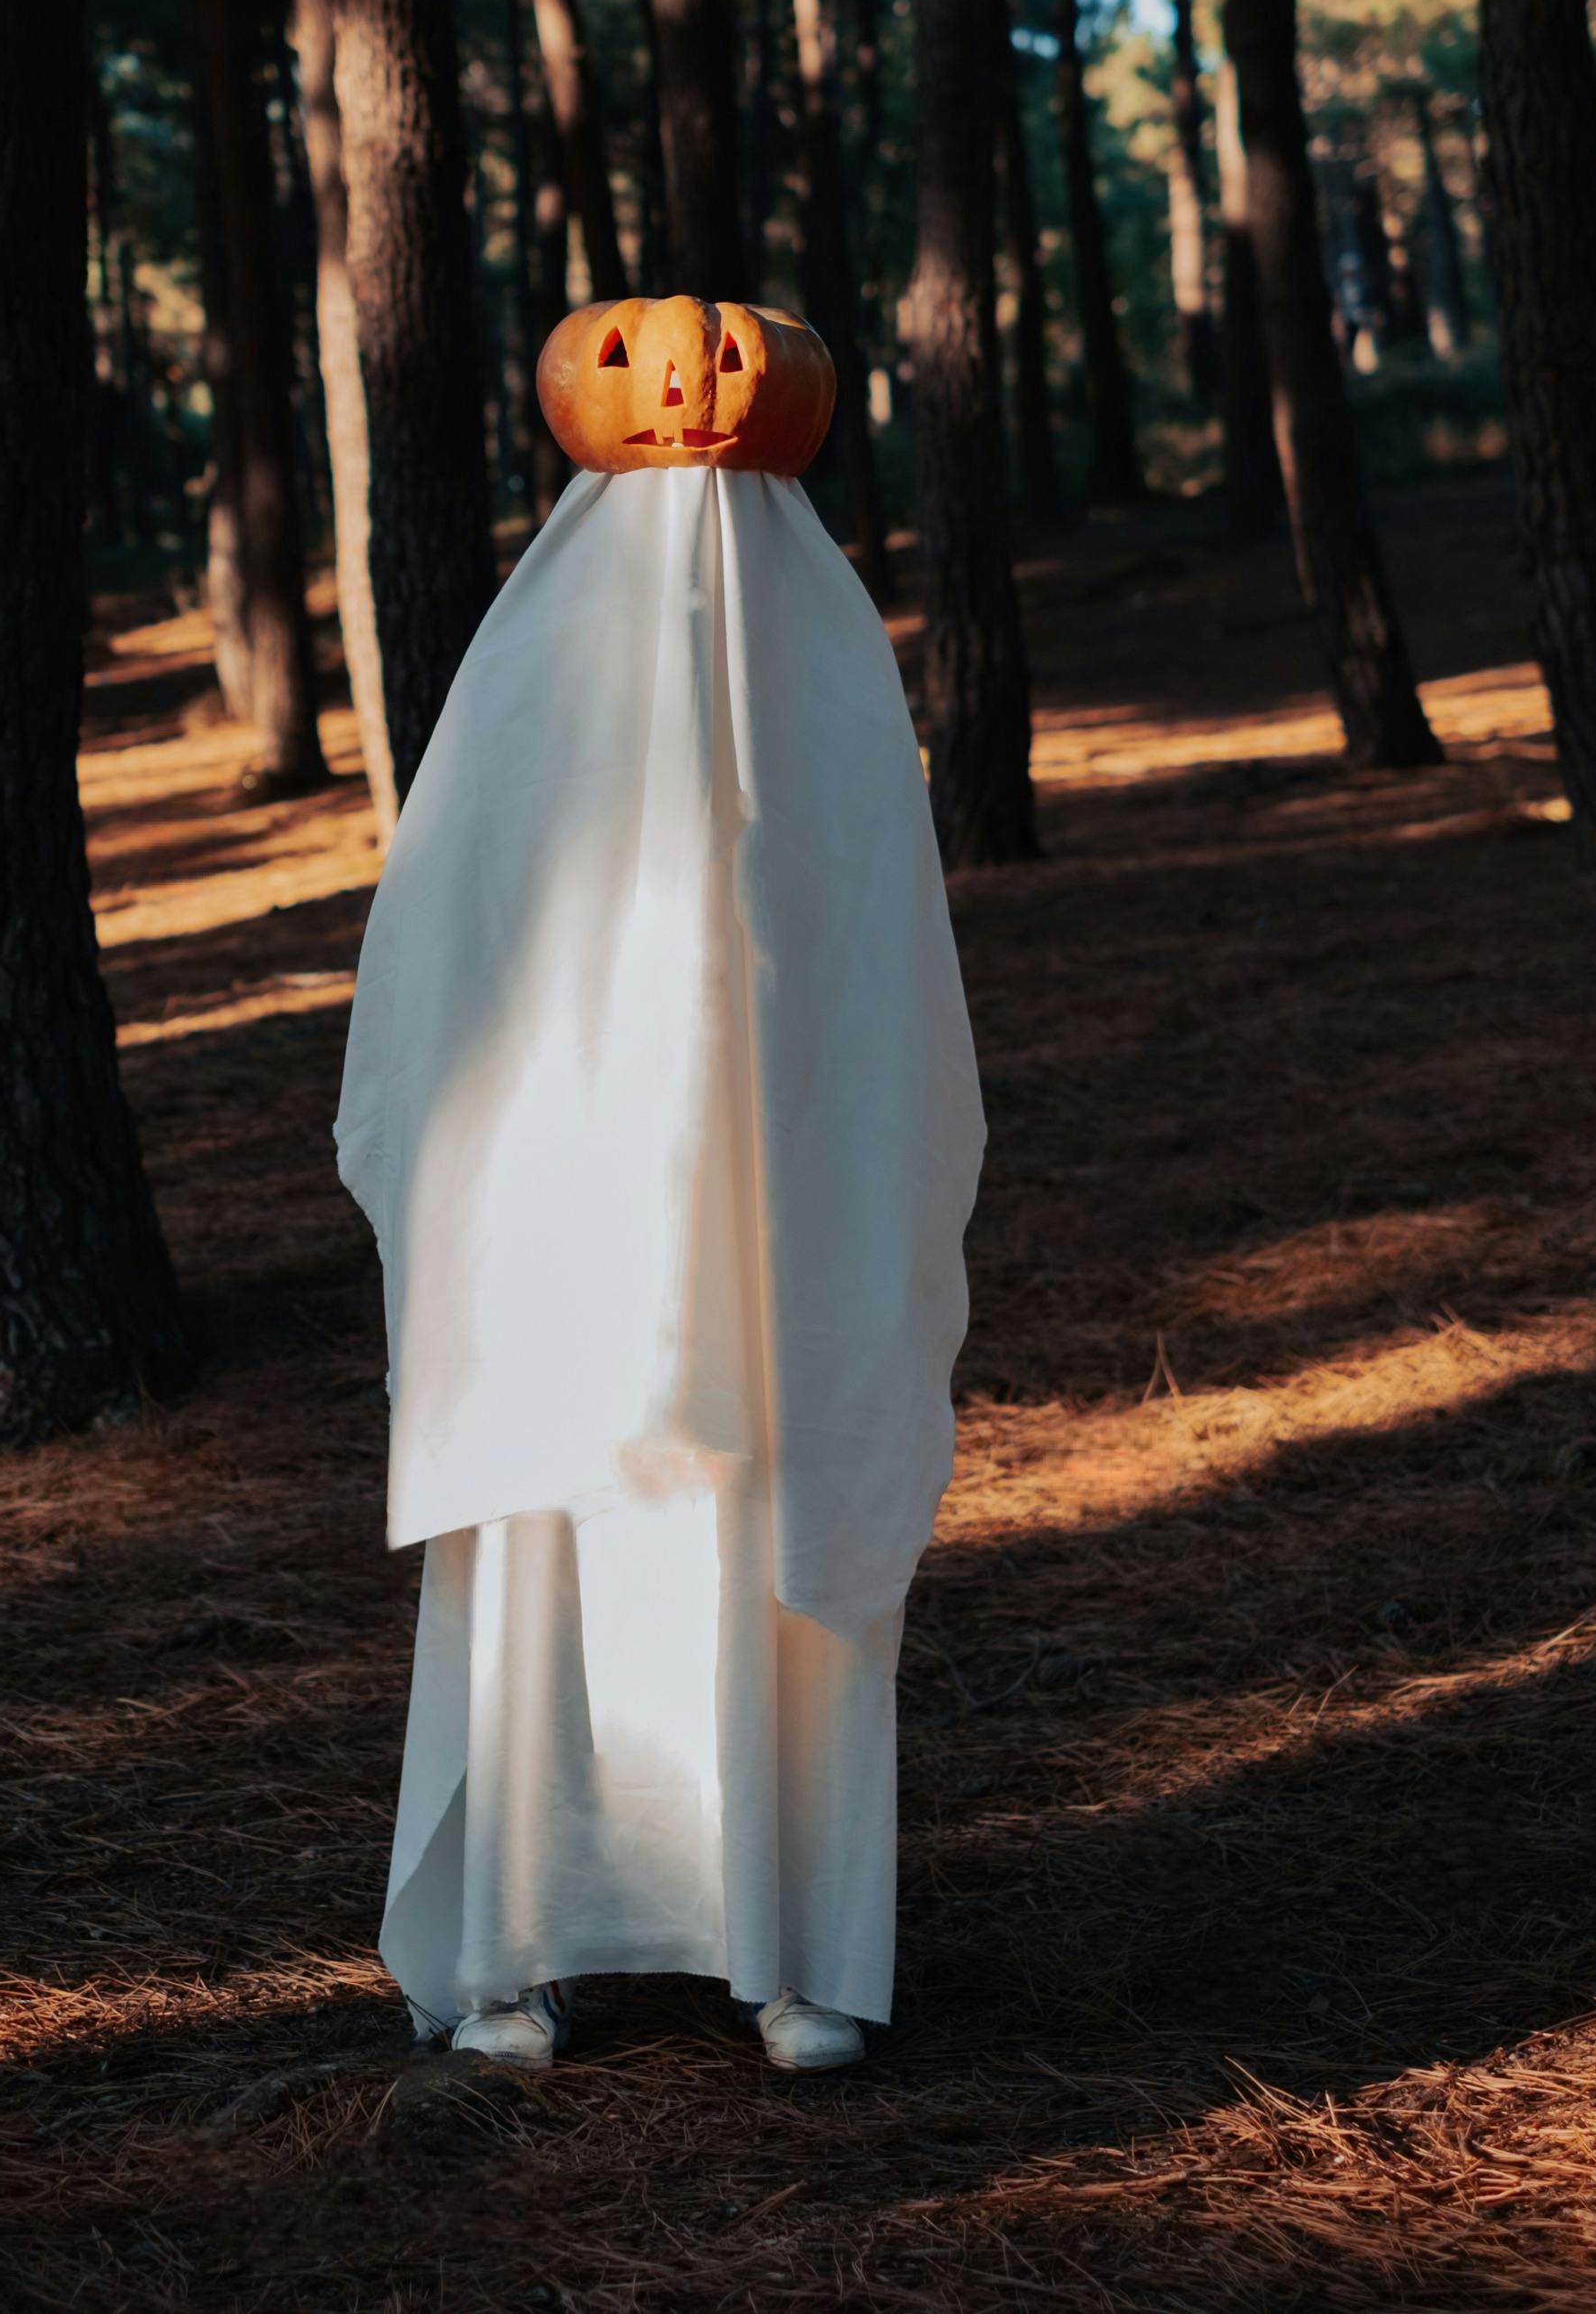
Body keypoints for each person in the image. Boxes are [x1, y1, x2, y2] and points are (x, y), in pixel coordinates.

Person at [335, 296, 984, 2071]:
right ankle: (519, 1946)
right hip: (567, 1205)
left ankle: (793, 1945)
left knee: (764, 1516)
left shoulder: (820, 658)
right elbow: (453, 944)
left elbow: (876, 966)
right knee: (571, 1539)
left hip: (782, 1219)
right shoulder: (541, 663)